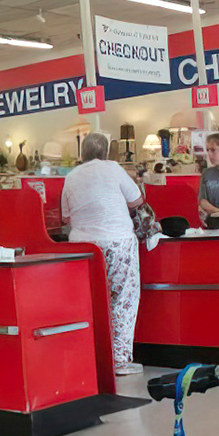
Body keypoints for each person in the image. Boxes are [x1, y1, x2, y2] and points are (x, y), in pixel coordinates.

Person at [61, 132, 144, 376]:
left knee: (90, 300)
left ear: (82, 153)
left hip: (82, 247)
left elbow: (66, 216)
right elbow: (137, 200)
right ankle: (119, 360)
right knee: (123, 299)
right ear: (106, 152)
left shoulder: (71, 176)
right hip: (117, 242)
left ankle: (90, 355)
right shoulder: (113, 168)